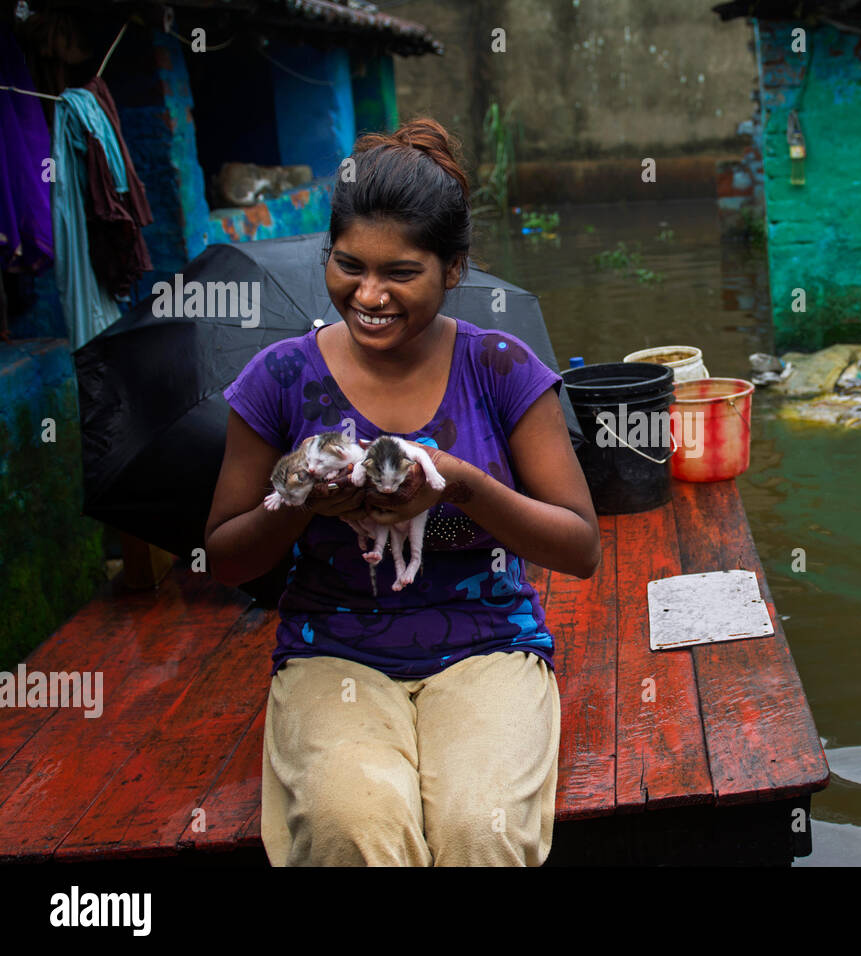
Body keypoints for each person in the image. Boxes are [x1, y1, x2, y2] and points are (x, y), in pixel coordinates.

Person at [203, 118, 601, 866]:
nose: (369, 294)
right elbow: (223, 557)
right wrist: (296, 503)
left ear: (454, 270)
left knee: (476, 828)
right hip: (334, 654)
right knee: (354, 825)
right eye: (348, 265)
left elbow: (580, 548)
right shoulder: (279, 380)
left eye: (401, 273)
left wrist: (461, 483)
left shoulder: (501, 369)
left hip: (486, 646)